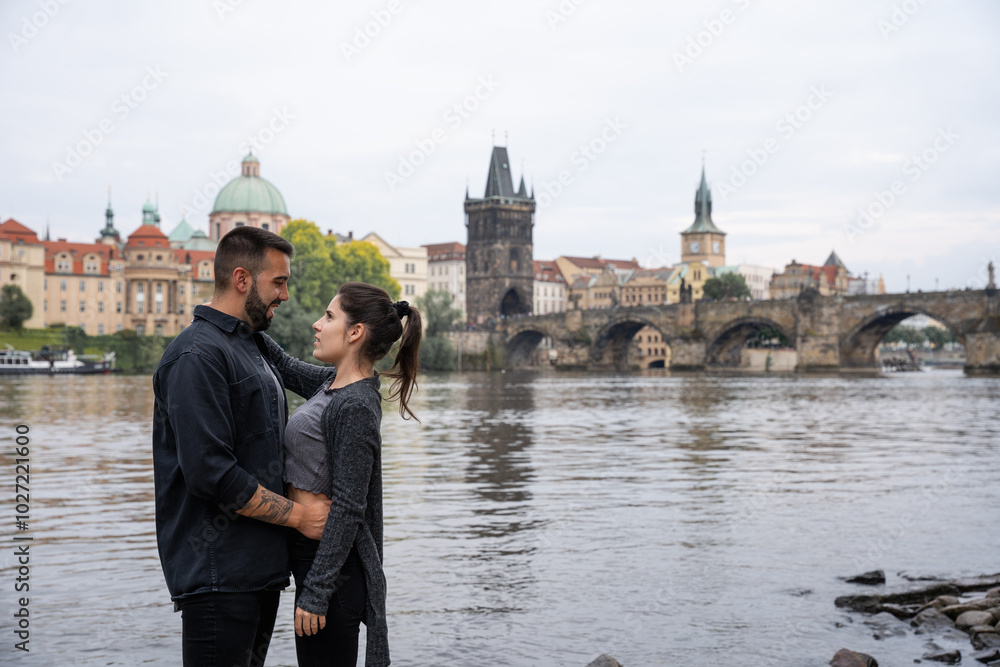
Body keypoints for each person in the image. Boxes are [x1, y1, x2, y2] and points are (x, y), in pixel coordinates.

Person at [152, 227, 331, 667]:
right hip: (219, 574)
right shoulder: (197, 356)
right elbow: (211, 473)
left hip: (258, 570)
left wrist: (369, 349)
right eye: (279, 282)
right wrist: (301, 517)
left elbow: (323, 381)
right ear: (242, 279)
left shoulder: (248, 342)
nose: (285, 295)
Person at [261, 281, 422, 667]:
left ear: (355, 333)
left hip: (333, 572)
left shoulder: (355, 406)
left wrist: (317, 592)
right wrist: (235, 319)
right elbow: (282, 365)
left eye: (329, 316)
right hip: (313, 559)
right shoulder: (330, 385)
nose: (317, 324)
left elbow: (350, 507)